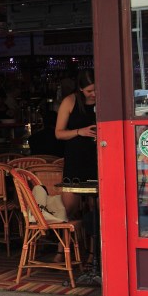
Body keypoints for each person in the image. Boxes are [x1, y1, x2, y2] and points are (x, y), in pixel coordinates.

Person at [55, 68, 97, 218]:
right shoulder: (70, 101)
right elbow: (58, 133)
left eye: (96, 89)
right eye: (89, 91)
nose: (94, 94)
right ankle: (71, 233)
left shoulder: (105, 100)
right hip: (76, 158)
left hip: (98, 157)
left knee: (98, 209)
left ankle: (93, 233)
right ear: (80, 88)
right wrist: (79, 131)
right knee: (69, 208)